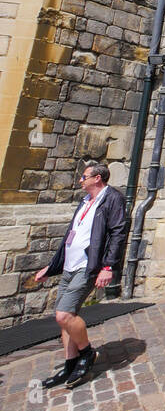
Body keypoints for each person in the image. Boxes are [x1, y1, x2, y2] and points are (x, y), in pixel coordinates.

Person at [34, 161, 126, 390]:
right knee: (65, 317)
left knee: (64, 315)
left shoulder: (112, 198)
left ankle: (86, 353)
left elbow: (117, 233)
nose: (80, 181)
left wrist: (108, 267)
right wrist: (52, 267)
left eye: (84, 177)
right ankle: (70, 364)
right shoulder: (85, 201)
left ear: (98, 178)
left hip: (88, 266)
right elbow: (71, 235)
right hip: (69, 265)